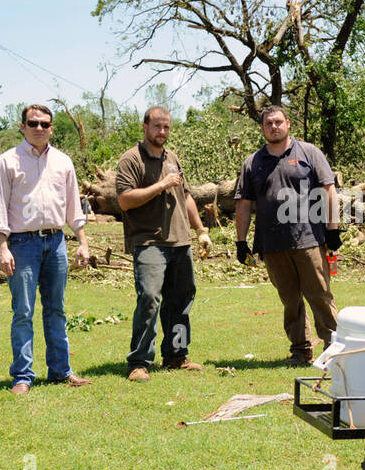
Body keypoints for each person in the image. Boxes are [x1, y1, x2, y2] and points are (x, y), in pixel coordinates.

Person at [0, 104, 93, 395]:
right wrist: (3, 248)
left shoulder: (63, 162)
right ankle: (22, 376)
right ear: (22, 127)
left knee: (56, 309)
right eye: (33, 123)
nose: (39, 128)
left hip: (56, 242)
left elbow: (74, 207)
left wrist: (83, 242)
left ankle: (61, 371)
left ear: (51, 128)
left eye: (44, 124)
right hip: (22, 244)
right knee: (23, 311)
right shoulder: (7, 162)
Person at [234, 105, 341, 366]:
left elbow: (328, 190)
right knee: (290, 300)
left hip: (309, 239)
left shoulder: (309, 152)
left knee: (319, 294)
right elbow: (244, 204)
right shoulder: (253, 162)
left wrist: (333, 229)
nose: (274, 126)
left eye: (278, 122)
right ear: (262, 128)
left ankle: (335, 348)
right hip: (271, 244)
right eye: (268, 123)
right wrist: (240, 241)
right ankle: (300, 351)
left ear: (288, 123)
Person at [115, 106, 212, 382]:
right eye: (157, 126)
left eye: (167, 127)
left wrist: (201, 230)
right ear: (144, 127)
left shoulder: (173, 157)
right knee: (149, 298)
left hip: (180, 241)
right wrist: (160, 185)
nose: (162, 132)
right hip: (149, 241)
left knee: (181, 300)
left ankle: (176, 356)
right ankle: (139, 362)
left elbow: (187, 196)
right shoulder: (131, 160)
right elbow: (125, 200)